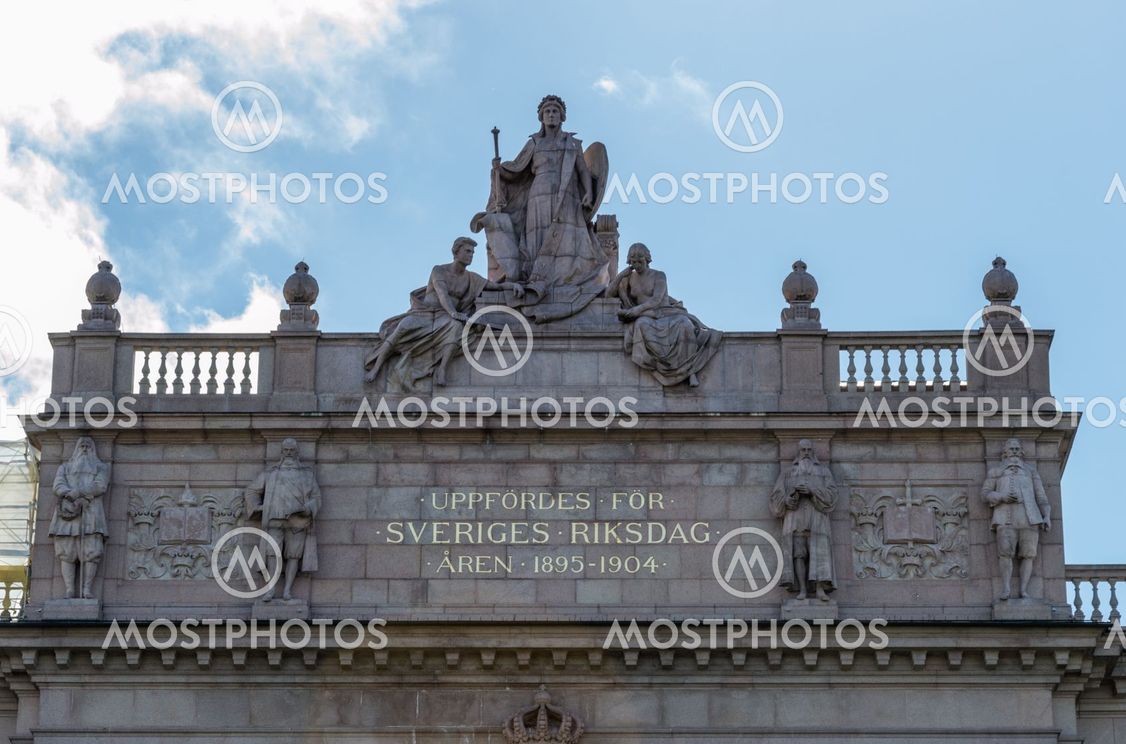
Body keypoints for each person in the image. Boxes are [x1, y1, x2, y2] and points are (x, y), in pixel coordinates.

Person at [488, 95, 609, 322]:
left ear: (562, 116)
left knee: (570, 238)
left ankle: (566, 280)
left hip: (569, 195)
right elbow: (516, 169)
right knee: (538, 238)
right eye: (547, 112)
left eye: (555, 111)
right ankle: (536, 279)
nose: (551, 115)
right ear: (541, 118)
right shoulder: (534, 143)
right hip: (539, 195)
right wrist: (499, 170)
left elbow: (583, 170)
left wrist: (588, 194)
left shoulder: (573, 143)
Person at [364, 237, 523, 389]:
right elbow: (442, 294)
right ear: (456, 252)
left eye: (472, 253)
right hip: (425, 313)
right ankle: (376, 368)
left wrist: (513, 286)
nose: (471, 256)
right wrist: (453, 313)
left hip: (447, 318)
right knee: (403, 328)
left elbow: (493, 286)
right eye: (467, 251)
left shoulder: (471, 278)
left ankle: (442, 370)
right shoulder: (439, 270)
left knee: (456, 328)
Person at [607, 243, 721, 386]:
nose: (637, 265)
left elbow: (657, 299)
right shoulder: (629, 278)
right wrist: (620, 276)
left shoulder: (659, 275)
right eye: (633, 262)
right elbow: (608, 294)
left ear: (647, 259)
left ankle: (690, 371)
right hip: (646, 316)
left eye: (640, 261)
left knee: (684, 324)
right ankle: (660, 366)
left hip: (664, 312)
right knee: (641, 325)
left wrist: (636, 310)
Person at [244, 438, 321, 601]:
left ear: (296, 452)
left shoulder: (307, 475)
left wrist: (307, 508)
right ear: (282, 452)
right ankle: (271, 590)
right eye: (285, 450)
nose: (288, 453)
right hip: (274, 520)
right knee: (273, 554)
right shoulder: (271, 473)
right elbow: (251, 491)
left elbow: (316, 497)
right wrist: (259, 507)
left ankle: (287, 591)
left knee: (293, 555)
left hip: (298, 520)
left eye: (292, 450)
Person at [769, 439, 838, 601]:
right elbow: (776, 497)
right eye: (803, 450)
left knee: (818, 552)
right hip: (796, 518)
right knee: (798, 554)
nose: (806, 453)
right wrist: (788, 499)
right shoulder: (788, 473)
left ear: (812, 452)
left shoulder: (823, 472)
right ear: (798, 453)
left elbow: (832, 496)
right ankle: (802, 589)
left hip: (816, 517)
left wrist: (812, 491)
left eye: (808, 450)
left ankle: (820, 589)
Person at [982, 438, 1051, 600]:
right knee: (1005, 553)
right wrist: (1001, 497)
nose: (1014, 451)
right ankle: (1006, 588)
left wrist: (1046, 515)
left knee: (1028, 554)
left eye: (1017, 448)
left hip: (1030, 518)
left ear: (1021, 452)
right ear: (1004, 452)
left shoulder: (1031, 471)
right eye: (1011, 448)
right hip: (1005, 518)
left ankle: (1023, 590)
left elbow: (1041, 497)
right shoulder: (996, 472)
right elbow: (985, 494)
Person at [49, 436, 109, 599]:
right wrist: (69, 495)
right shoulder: (65, 467)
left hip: (91, 513)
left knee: (92, 550)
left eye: (88, 446)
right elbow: (58, 485)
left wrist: (80, 492)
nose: (84, 448)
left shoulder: (101, 467)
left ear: (93, 450)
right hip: (67, 511)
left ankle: (87, 590)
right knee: (66, 551)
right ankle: (69, 589)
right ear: (76, 448)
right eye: (81, 445)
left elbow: (100, 485)